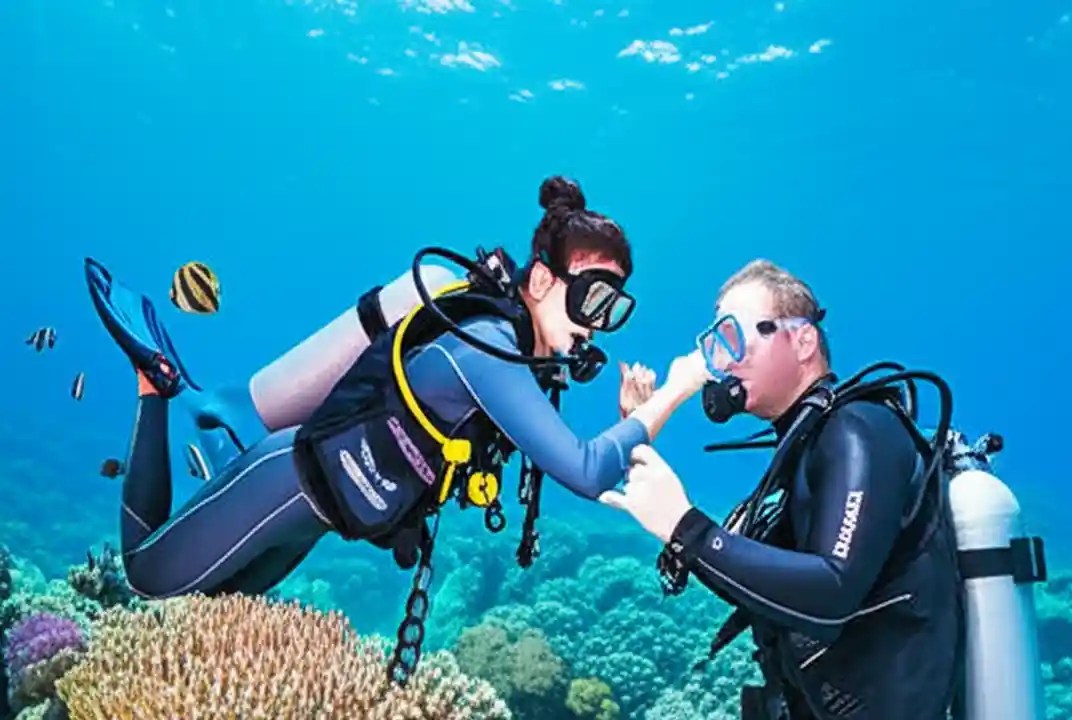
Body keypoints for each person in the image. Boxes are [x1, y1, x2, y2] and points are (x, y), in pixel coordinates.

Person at [85, 175, 710, 681]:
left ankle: (190, 414)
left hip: (323, 515)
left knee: (199, 608)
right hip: (291, 480)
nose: (595, 326)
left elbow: (576, 456)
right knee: (145, 577)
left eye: (612, 309)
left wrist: (630, 421)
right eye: (593, 300)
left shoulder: (520, 354)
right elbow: (585, 468)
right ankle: (156, 386)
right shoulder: (489, 348)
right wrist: (675, 394)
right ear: (542, 280)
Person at [600, 259, 965, 719]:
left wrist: (686, 527)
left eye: (734, 337)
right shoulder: (810, 444)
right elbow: (753, 579)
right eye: (715, 345)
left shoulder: (856, 433)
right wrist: (637, 438)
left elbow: (832, 591)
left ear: (804, 340)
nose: (723, 363)